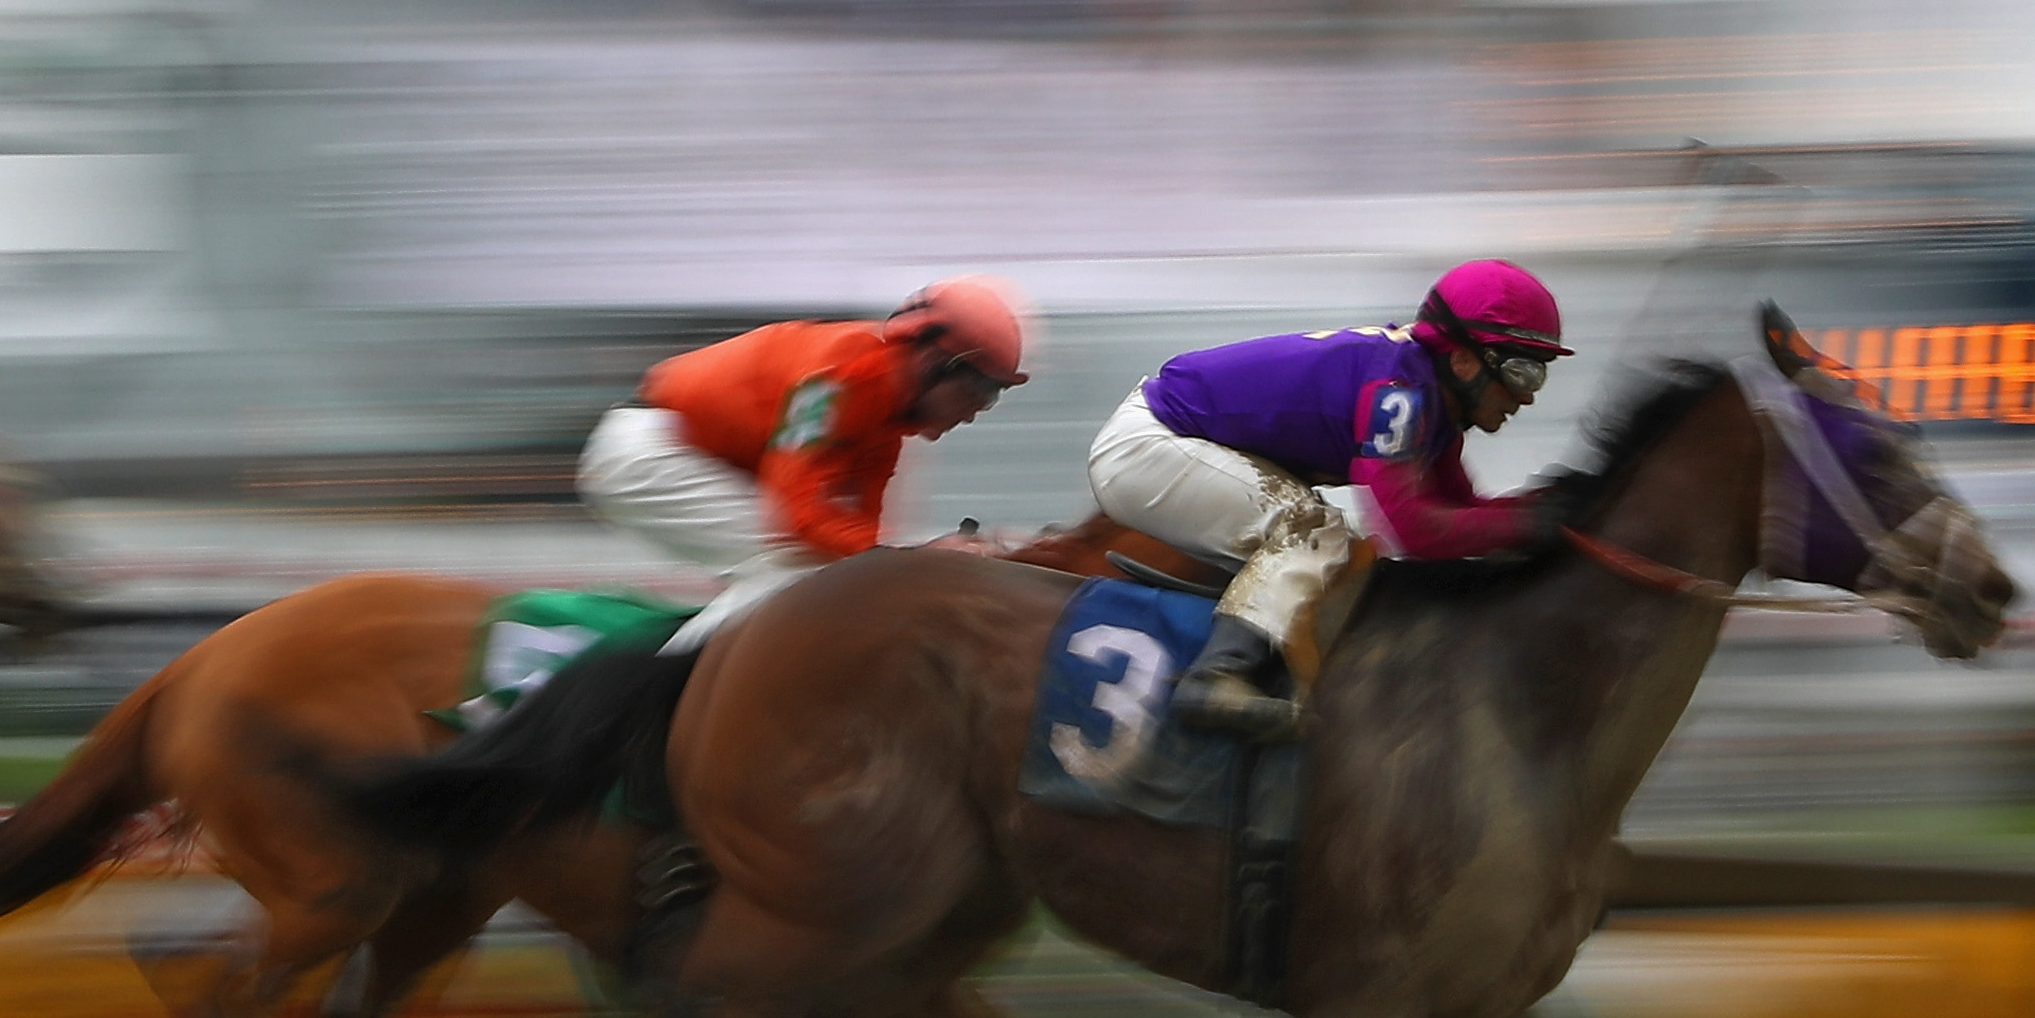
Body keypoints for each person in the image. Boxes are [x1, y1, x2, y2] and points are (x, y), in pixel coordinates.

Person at [1085, 259, 1570, 745]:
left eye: (1539, 376)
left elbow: (1459, 512)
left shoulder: (1431, 396)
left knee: (1335, 552)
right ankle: (1214, 678)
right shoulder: (1398, 396)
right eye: (1522, 371)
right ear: (1463, 357)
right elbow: (1415, 529)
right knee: (1317, 532)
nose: (1526, 397)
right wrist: (1531, 522)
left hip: (1170, 441)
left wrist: (1544, 514)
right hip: (1147, 445)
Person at [580, 278, 1031, 649]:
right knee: (792, 570)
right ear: (934, 363)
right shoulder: (836, 376)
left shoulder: (886, 426)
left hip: (683, 449)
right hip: (644, 450)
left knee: (818, 574)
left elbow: (860, 546)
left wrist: (908, 563)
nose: (977, 411)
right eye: (982, 391)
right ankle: (661, 698)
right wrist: (917, 559)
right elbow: (801, 516)